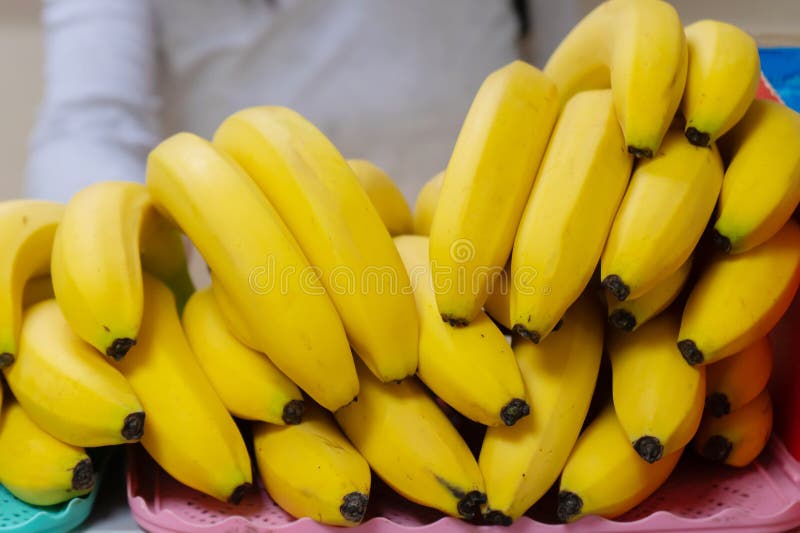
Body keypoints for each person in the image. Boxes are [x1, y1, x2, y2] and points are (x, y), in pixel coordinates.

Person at [26, 0, 530, 204]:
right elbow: (86, 129)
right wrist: (123, 259)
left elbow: (556, 86)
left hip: (501, 284)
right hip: (263, 309)